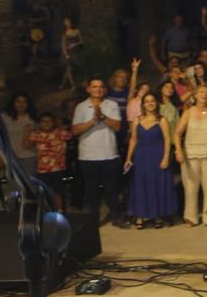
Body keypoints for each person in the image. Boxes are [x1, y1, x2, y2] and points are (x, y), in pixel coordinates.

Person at [71, 77, 123, 223]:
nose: (98, 89)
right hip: (88, 156)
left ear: (104, 89)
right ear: (88, 89)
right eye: (94, 86)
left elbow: (117, 126)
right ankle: (94, 218)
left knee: (111, 189)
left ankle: (115, 216)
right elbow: (75, 130)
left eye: (101, 86)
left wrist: (102, 117)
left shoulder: (112, 104)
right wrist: (93, 121)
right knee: (91, 190)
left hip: (109, 154)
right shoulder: (81, 107)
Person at [124, 93, 176, 228]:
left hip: (157, 156)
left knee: (156, 185)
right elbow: (133, 139)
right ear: (143, 104)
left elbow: (167, 140)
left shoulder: (162, 120)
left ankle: (156, 215)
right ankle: (140, 216)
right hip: (141, 157)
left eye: (152, 101)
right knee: (140, 185)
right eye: (147, 101)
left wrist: (165, 158)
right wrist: (128, 158)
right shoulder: (137, 120)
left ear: (156, 103)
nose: (150, 103)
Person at [174, 85, 207, 227]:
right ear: (194, 94)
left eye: (206, 92)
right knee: (190, 187)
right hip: (190, 154)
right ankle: (191, 217)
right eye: (201, 92)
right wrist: (179, 151)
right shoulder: (188, 112)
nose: (204, 94)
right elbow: (177, 133)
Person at [27, 111, 71, 209]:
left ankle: (59, 211)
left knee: (58, 191)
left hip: (57, 168)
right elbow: (28, 145)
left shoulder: (60, 133)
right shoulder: (36, 134)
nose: (46, 124)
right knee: (43, 190)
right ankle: (44, 211)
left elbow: (71, 134)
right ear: (39, 123)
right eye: (43, 121)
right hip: (42, 169)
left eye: (49, 121)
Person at [2, 91, 38, 176]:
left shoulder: (32, 117)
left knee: (30, 183)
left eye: (24, 102)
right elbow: (0, 135)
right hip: (12, 157)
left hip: (29, 156)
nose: (21, 104)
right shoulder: (5, 117)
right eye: (18, 101)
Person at [60, 17, 83, 90]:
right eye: (65, 22)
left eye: (68, 21)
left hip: (75, 52)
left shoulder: (76, 31)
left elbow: (81, 41)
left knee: (72, 69)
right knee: (68, 68)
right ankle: (73, 85)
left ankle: (62, 84)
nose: (67, 23)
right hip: (68, 52)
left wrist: (75, 44)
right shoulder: (64, 33)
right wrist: (66, 54)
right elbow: (63, 44)